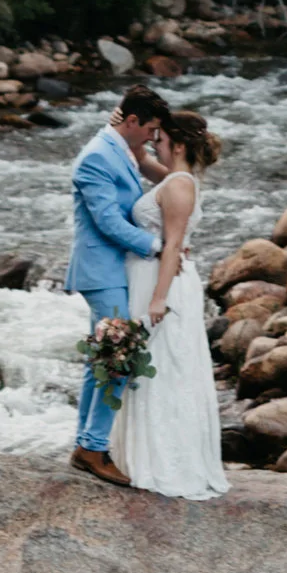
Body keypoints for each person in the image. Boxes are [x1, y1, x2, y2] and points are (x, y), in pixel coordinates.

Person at [109, 107, 228, 500]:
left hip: (166, 286)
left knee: (164, 369)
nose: (152, 144)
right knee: (157, 366)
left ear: (176, 145)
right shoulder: (176, 178)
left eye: (158, 138)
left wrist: (158, 299)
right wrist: (119, 127)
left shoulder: (178, 185)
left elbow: (173, 244)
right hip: (155, 279)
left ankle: (166, 462)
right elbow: (140, 161)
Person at [66, 82, 173, 485]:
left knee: (103, 357)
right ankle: (93, 448)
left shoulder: (117, 147)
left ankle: (86, 444)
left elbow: (155, 172)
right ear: (131, 121)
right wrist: (159, 247)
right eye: (150, 130)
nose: (153, 138)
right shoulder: (95, 157)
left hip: (114, 269)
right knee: (118, 355)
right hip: (101, 271)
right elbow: (108, 223)